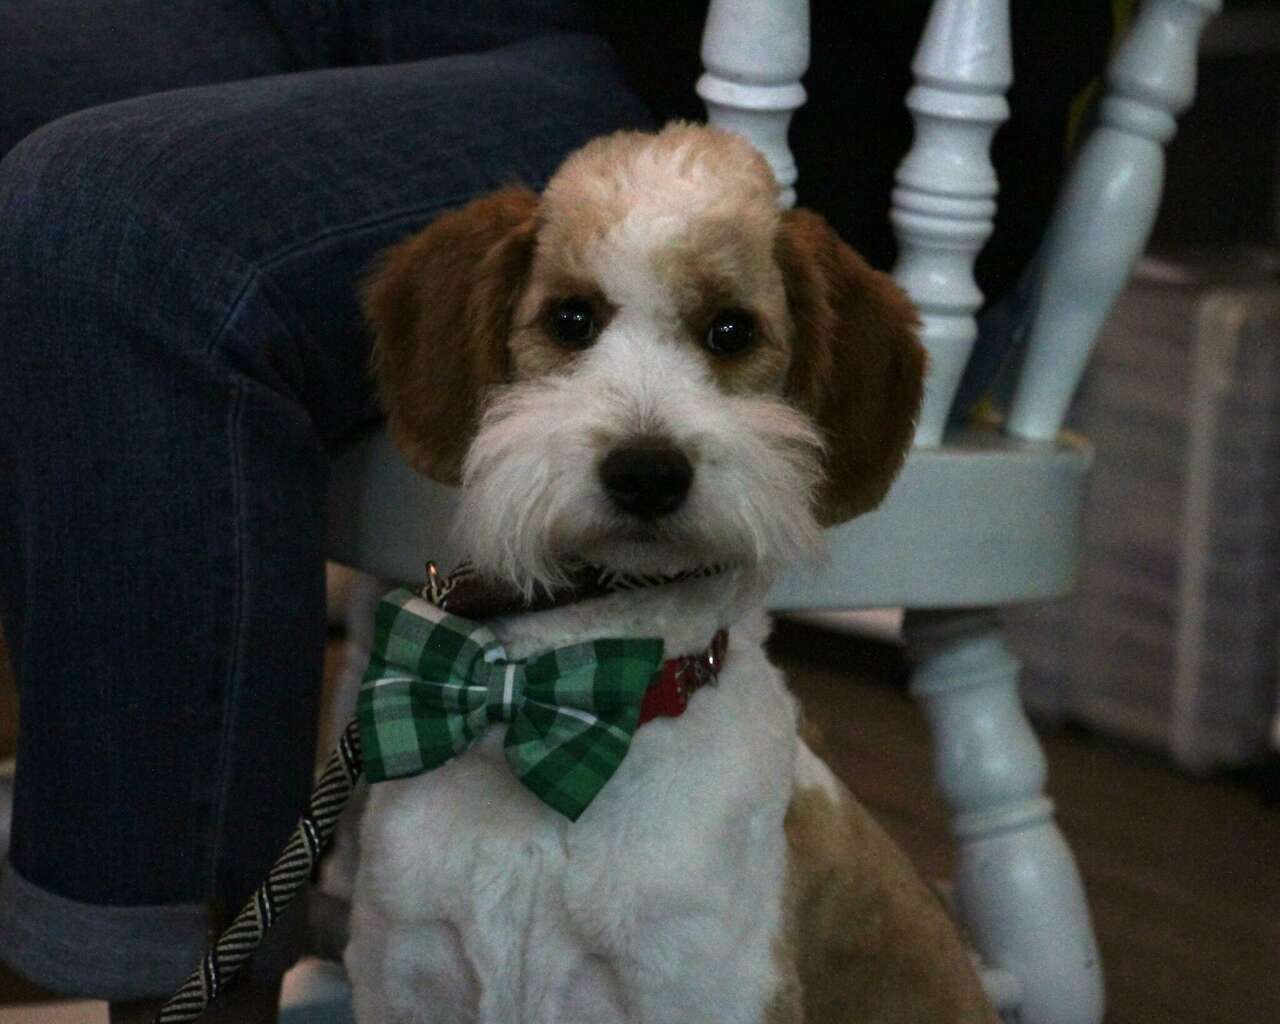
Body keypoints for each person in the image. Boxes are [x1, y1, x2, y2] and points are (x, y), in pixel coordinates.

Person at [0, 1, 1114, 1019]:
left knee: (108, 218)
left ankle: (182, 992)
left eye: (726, 338)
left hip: (716, 49)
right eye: (573, 324)